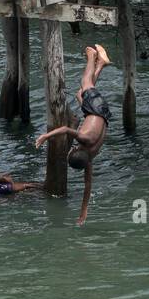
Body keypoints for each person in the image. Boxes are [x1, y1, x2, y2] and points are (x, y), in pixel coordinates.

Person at [36, 44, 111, 226]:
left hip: (101, 114)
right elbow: (65, 130)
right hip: (96, 109)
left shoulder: (90, 156)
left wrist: (83, 212)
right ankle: (92, 57)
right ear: (75, 149)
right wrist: (45, 137)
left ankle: (100, 64)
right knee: (85, 83)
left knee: (80, 94)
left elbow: (88, 186)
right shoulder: (84, 140)